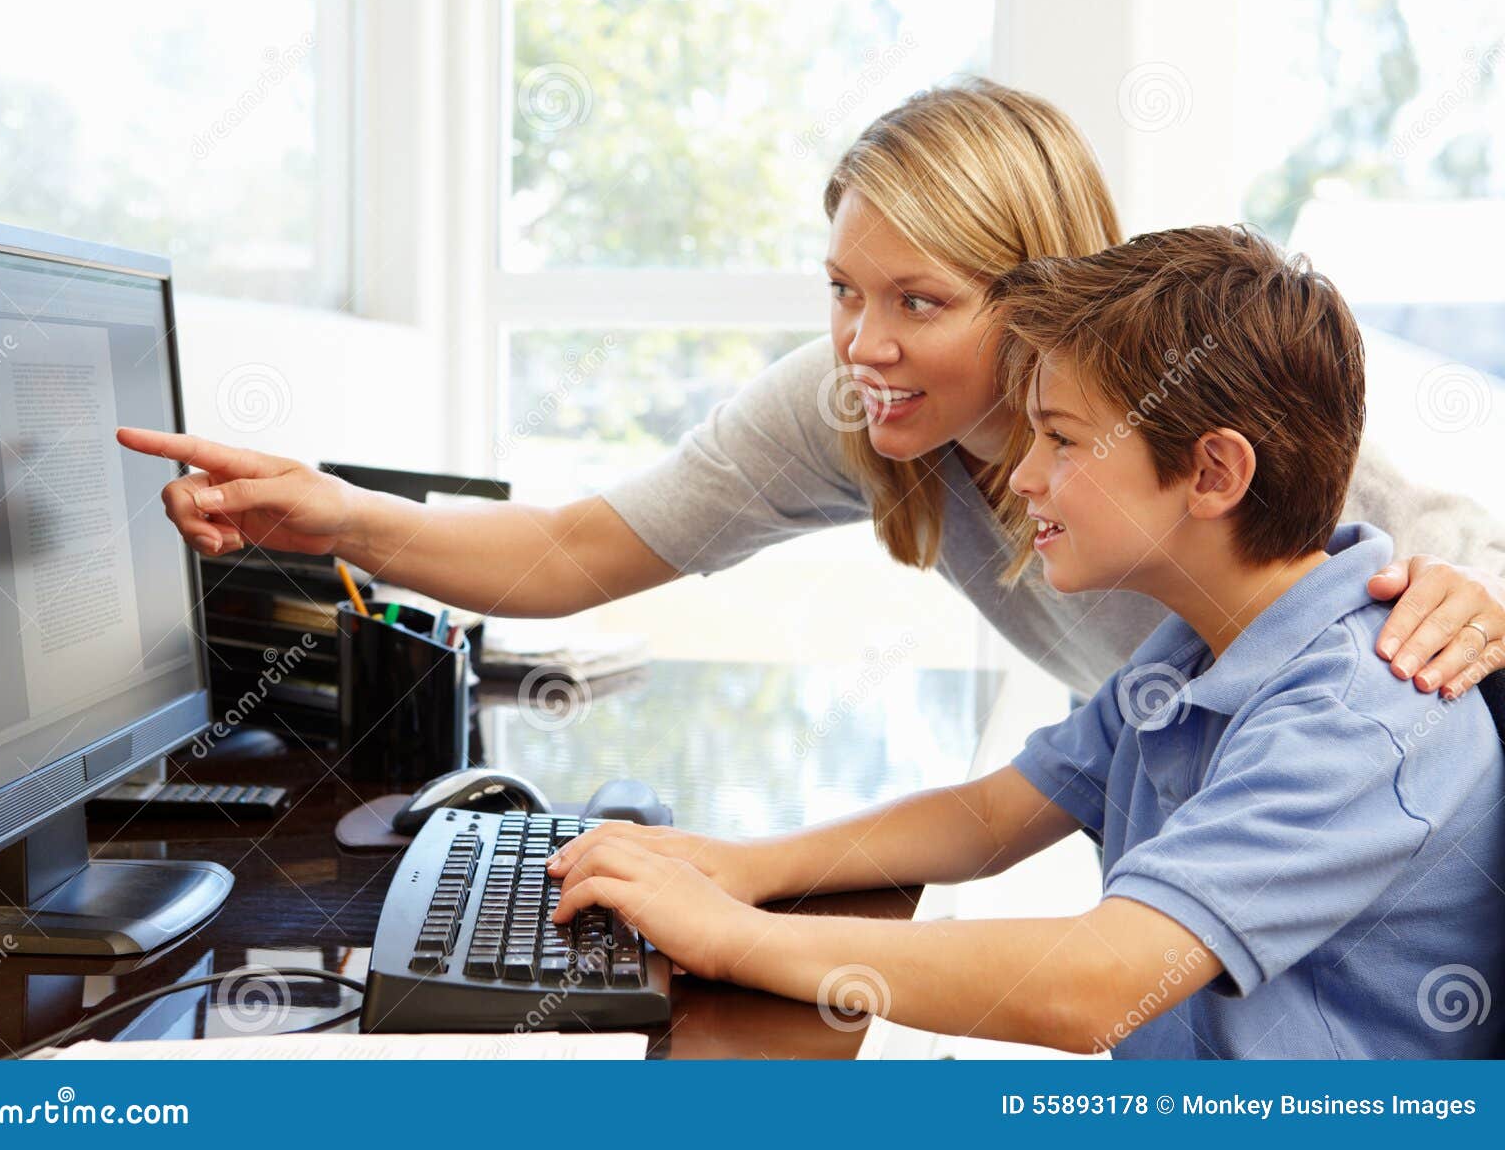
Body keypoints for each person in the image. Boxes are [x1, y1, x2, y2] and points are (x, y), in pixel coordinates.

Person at [119, 79, 1505, 703]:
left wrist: (1481, 591)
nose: (862, 343)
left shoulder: (1190, 388)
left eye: (919, 301)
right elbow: (573, 549)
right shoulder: (852, 406)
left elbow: (1461, 541)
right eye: (843, 289)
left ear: (1034, 298)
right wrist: (340, 516)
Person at [546, 226, 1505, 1057]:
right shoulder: (1203, 643)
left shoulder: (1354, 713)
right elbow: (995, 815)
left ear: (1213, 472)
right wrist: (740, 866)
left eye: (1062, 438)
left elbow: (1094, 986)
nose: (1023, 476)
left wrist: (728, 938)